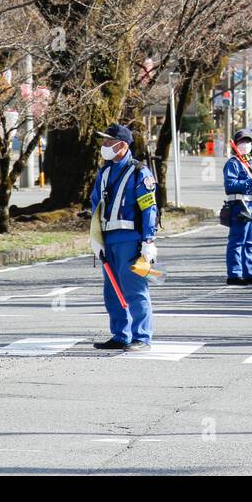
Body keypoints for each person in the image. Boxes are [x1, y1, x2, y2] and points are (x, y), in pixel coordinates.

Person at [89, 124, 158, 351]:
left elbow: (149, 208)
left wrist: (148, 240)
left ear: (123, 145)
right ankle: (121, 335)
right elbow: (95, 206)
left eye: (109, 142)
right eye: (104, 141)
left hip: (132, 239)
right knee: (112, 291)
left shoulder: (140, 172)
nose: (104, 146)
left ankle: (142, 336)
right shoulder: (104, 172)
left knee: (135, 289)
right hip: (109, 240)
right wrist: (96, 238)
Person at [223, 128, 252, 286]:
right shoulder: (233, 164)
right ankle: (234, 274)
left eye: (248, 141)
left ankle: (249, 272)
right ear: (236, 143)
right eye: (242, 141)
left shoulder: (250, 163)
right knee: (238, 240)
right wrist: (250, 181)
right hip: (240, 205)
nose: (245, 144)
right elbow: (230, 185)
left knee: (250, 241)